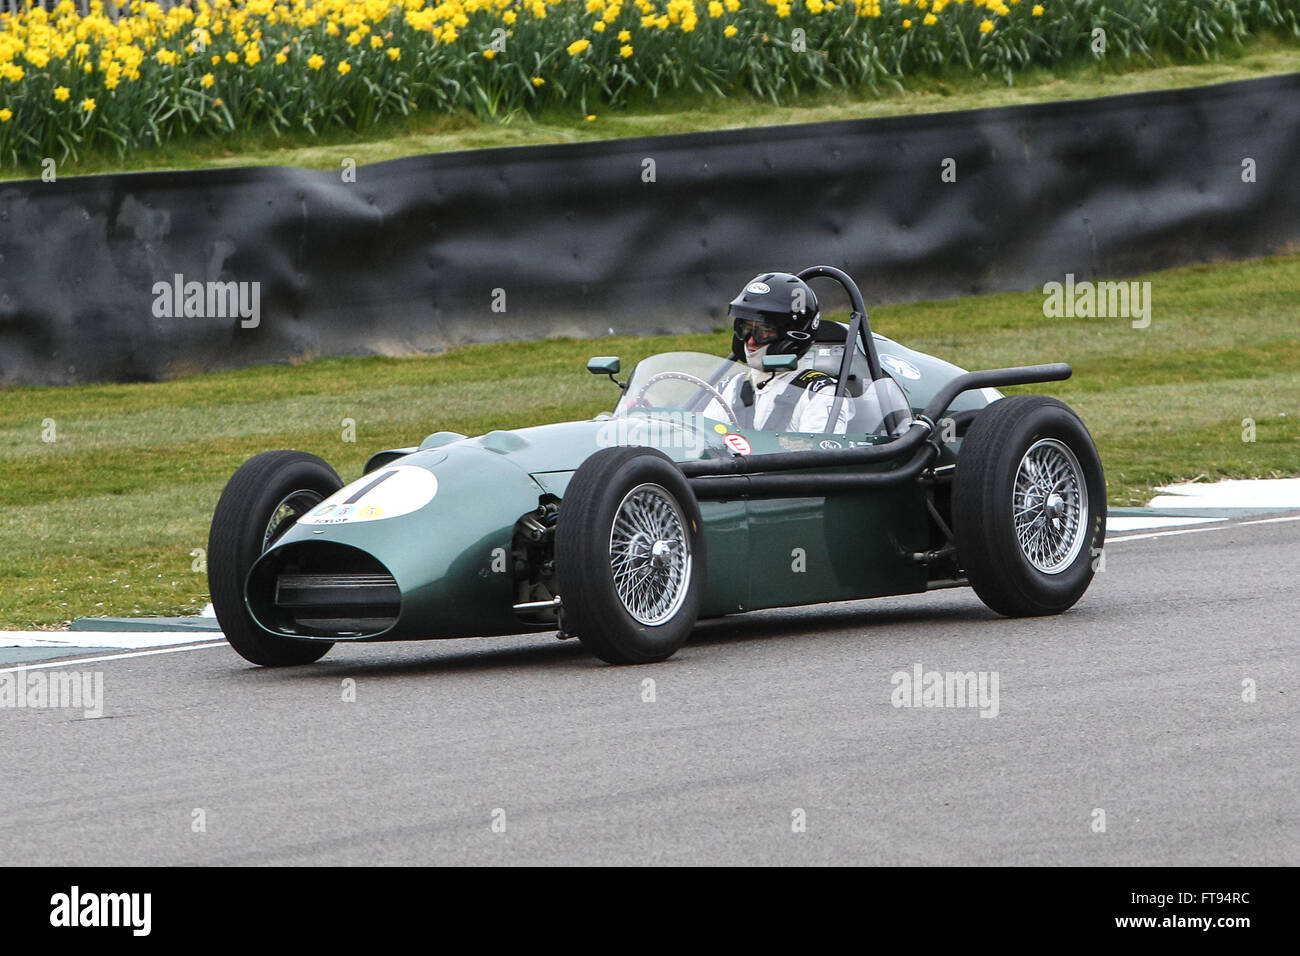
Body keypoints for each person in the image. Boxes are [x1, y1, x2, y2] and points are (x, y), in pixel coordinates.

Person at [708, 272, 852, 434]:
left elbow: (821, 457)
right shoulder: (732, 386)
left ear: (794, 335)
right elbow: (704, 442)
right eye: (745, 329)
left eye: (763, 331)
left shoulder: (821, 394)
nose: (750, 341)